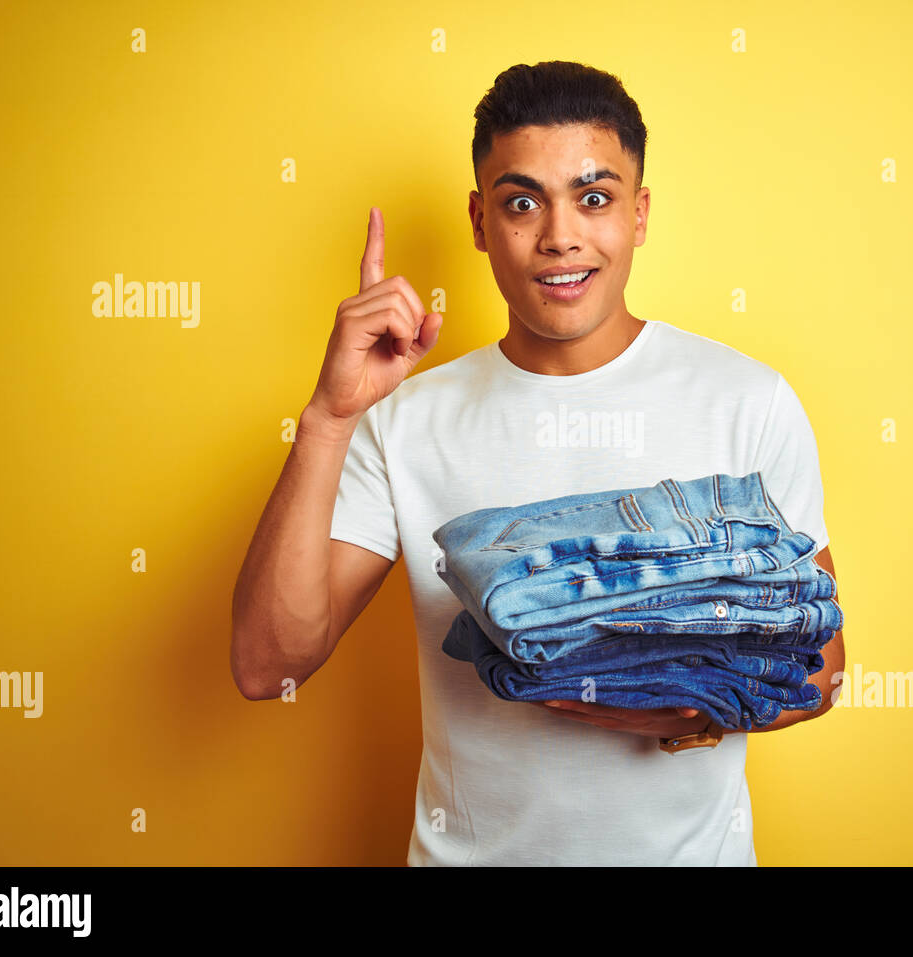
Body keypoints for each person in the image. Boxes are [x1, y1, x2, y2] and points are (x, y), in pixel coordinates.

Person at [231, 60, 845, 866]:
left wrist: (687, 710)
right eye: (524, 203)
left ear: (640, 212)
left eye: (595, 197)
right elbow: (266, 662)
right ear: (482, 221)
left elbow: (824, 668)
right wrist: (328, 417)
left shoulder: (747, 401)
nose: (560, 235)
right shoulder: (405, 420)